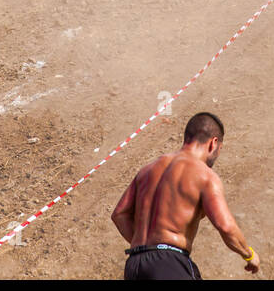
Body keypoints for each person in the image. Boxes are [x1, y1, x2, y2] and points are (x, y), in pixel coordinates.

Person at [111, 112, 259, 280]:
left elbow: (119, 214)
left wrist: (148, 247)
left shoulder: (148, 169)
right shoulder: (204, 175)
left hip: (135, 265)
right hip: (168, 263)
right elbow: (226, 226)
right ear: (213, 143)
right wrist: (249, 254)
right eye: (220, 150)